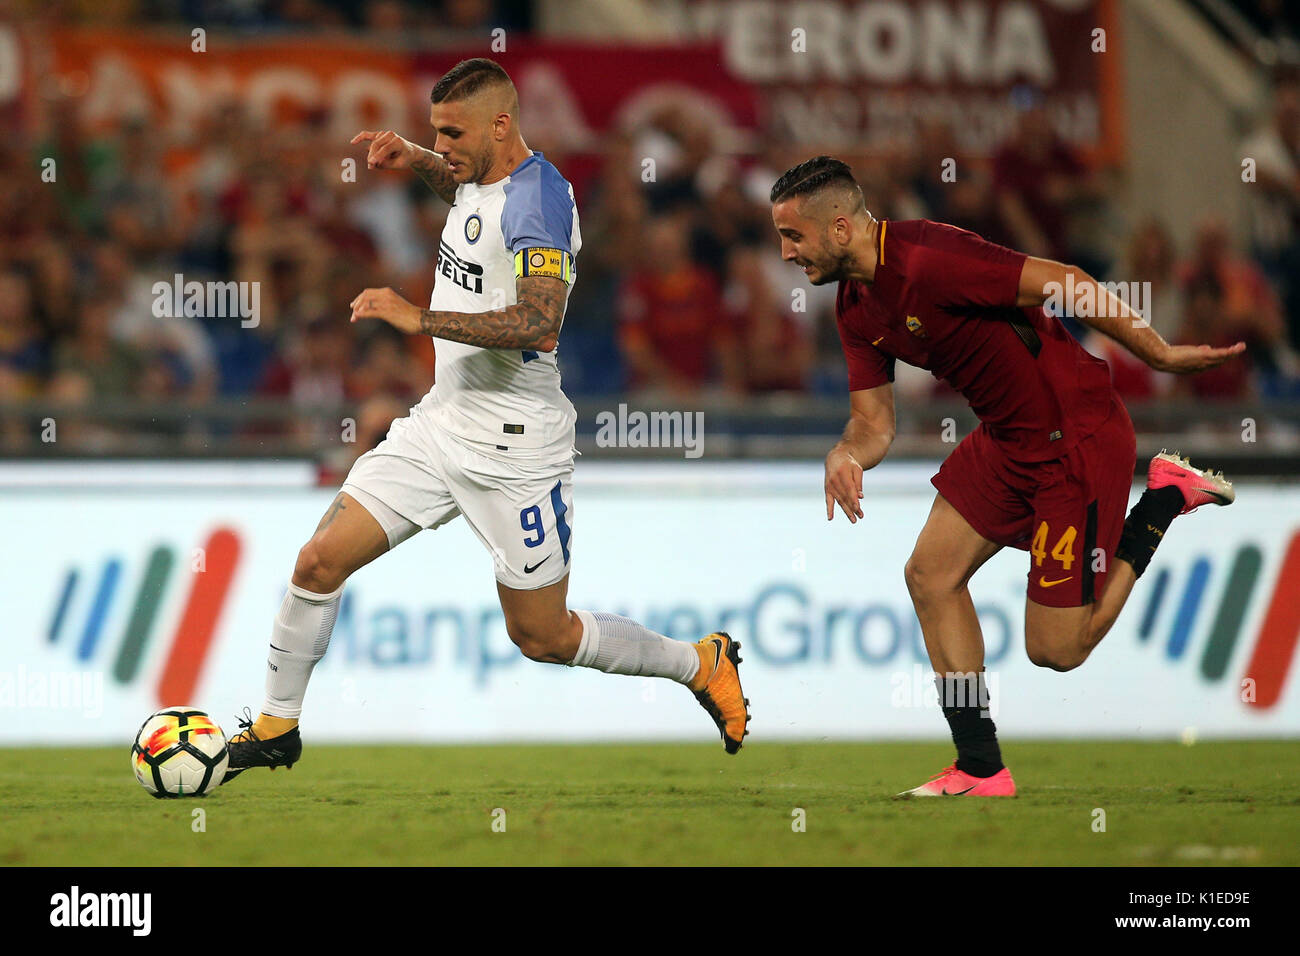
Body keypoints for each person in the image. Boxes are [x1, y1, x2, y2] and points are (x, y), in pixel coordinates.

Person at [223, 59, 749, 782]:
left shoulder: (543, 200)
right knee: (318, 562)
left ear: (502, 125)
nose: (444, 145)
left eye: (452, 133)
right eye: (436, 131)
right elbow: (468, 189)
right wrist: (414, 159)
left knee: (545, 636)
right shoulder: (482, 175)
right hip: (440, 423)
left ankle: (700, 663)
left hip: (517, 448)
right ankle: (278, 726)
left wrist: (419, 317)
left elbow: (540, 320)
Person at [769, 156, 1242, 797]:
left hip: (1076, 436)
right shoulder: (855, 309)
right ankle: (980, 768)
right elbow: (872, 423)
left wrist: (1158, 353)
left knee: (1057, 650)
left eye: (794, 236)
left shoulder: (932, 257)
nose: (785, 252)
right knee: (929, 576)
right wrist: (845, 454)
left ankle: (1161, 500)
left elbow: (1067, 281)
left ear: (842, 228)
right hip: (1004, 441)